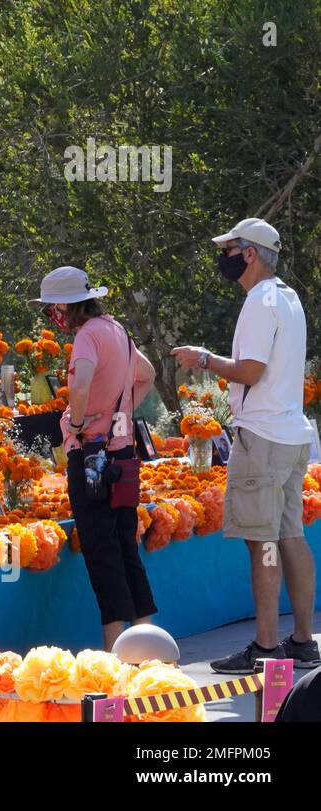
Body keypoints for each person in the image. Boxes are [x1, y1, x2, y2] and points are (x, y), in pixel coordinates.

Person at [173, 218, 320, 674]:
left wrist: (202, 358)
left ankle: (268, 646)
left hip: (263, 439)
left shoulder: (260, 301)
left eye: (231, 248)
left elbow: (251, 371)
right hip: (292, 437)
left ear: (250, 254)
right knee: (290, 535)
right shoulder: (289, 298)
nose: (226, 256)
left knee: (264, 543)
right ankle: (300, 640)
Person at [33, 266, 158, 648]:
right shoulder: (117, 330)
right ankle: (148, 645)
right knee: (126, 550)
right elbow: (147, 374)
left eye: (52, 309)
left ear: (67, 307)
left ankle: (115, 653)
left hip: (90, 458)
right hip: (123, 455)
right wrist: (122, 412)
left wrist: (78, 420)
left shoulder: (87, 337)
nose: (51, 317)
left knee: (102, 556)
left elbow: (82, 383)